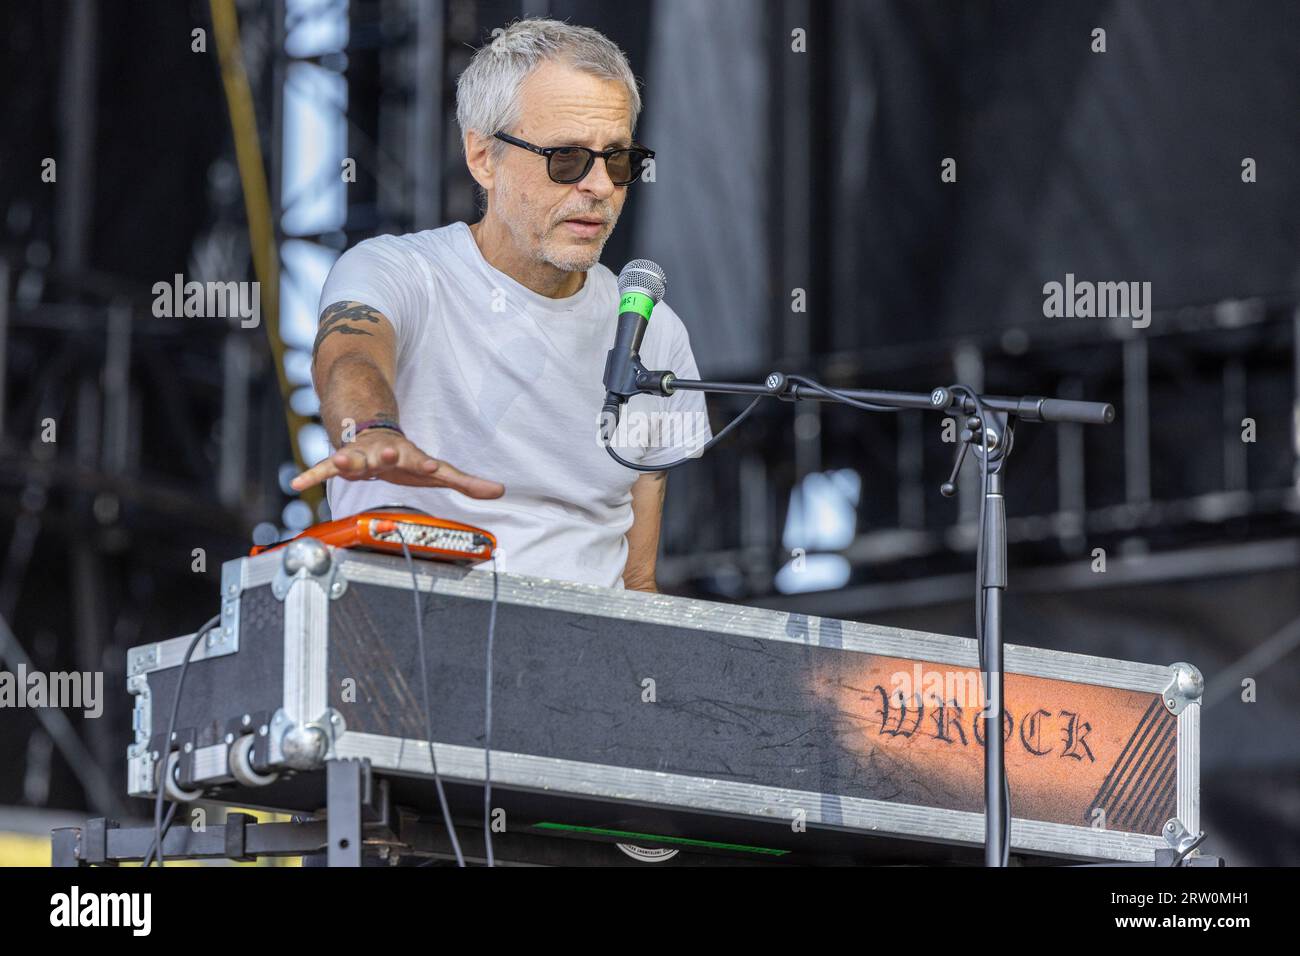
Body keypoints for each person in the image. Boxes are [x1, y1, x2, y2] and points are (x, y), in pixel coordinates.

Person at [291, 17, 711, 592]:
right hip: (408, 640)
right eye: (566, 158)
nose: (599, 186)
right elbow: (349, 354)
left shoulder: (651, 329)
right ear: (483, 156)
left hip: (590, 658)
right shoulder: (399, 270)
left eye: (617, 159)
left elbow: (638, 577)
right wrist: (370, 429)